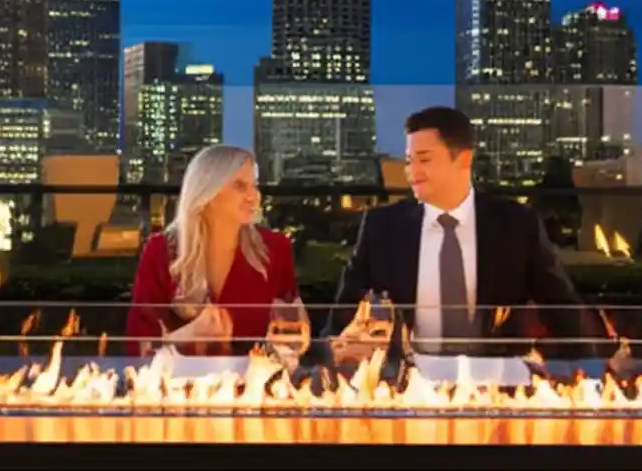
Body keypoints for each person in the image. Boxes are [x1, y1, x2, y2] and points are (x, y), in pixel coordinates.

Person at [326, 106, 606, 349]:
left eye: (424, 159)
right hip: (406, 383)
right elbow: (340, 320)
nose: (412, 172)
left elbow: (561, 309)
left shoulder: (516, 225)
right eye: (409, 161)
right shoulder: (382, 226)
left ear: (463, 160)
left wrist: (589, 371)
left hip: (496, 383)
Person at [126, 145, 299, 351]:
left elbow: (292, 330)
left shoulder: (275, 248)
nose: (254, 196)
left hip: (253, 377)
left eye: (255, 185)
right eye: (240, 186)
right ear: (207, 193)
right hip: (181, 380)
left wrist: (296, 338)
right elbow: (137, 347)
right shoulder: (161, 251)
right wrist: (189, 335)